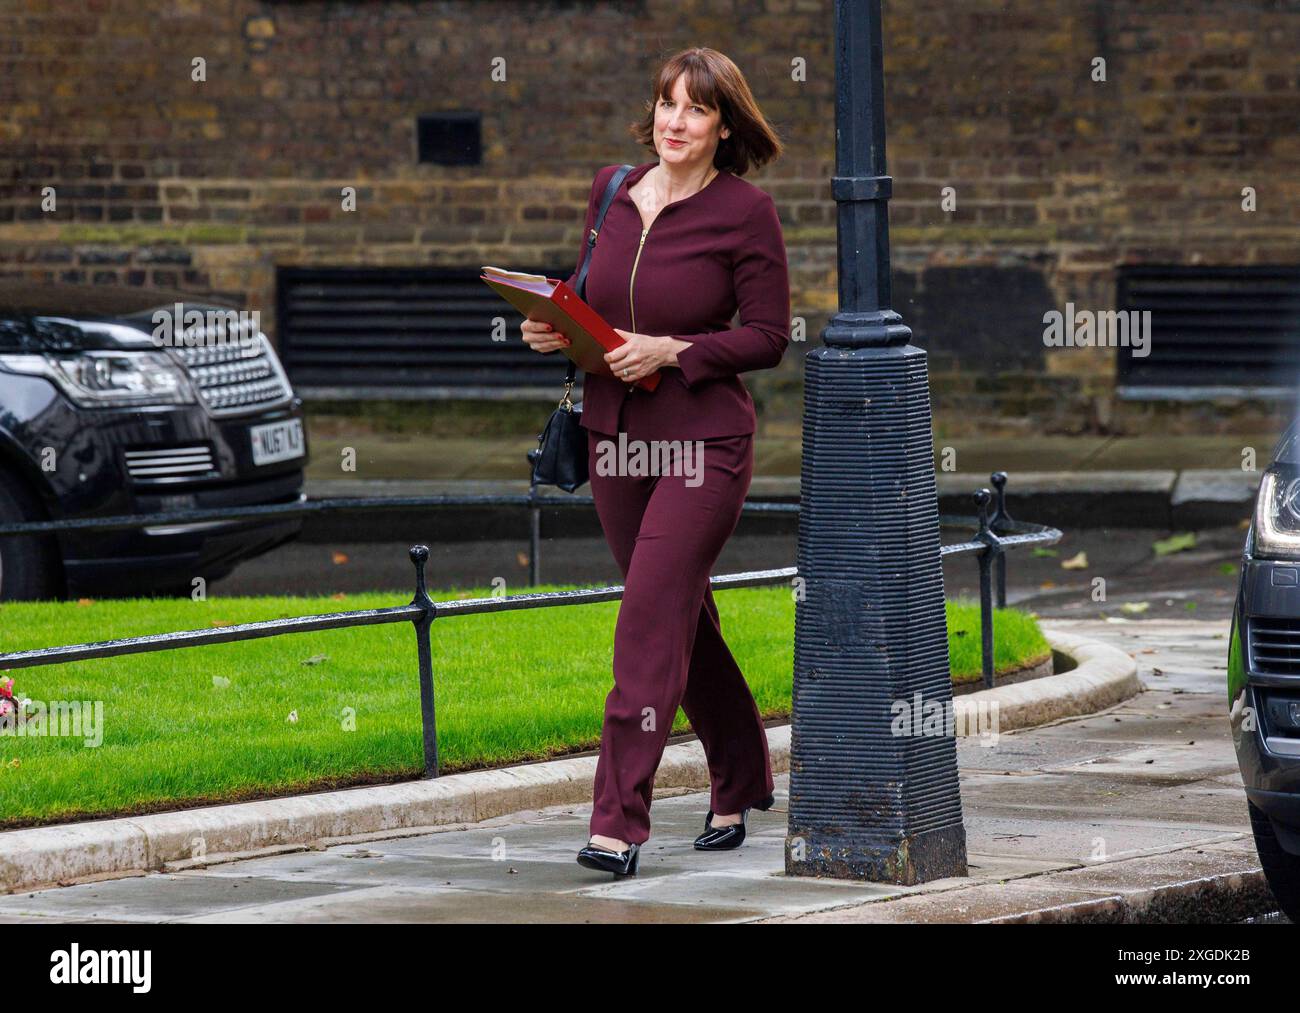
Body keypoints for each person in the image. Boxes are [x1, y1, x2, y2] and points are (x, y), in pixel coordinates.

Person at [520, 47, 790, 877]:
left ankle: (617, 820)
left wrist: (675, 351)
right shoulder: (612, 189)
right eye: (668, 104)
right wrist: (553, 326)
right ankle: (741, 775)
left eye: (697, 110)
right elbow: (587, 291)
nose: (676, 122)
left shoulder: (747, 211)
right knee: (677, 616)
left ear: (724, 125)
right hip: (615, 439)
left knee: (645, 620)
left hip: (705, 445)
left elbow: (769, 335)